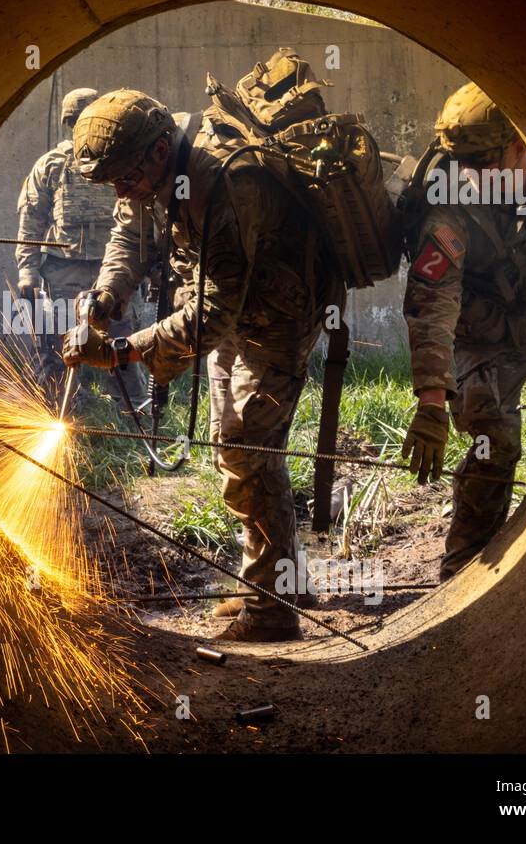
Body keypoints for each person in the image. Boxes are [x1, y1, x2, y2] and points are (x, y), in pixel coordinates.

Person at [63, 89, 343, 641]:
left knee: (247, 444)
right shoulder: (141, 166)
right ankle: (276, 577)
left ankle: (272, 612)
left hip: (280, 311)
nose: (121, 190)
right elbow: (130, 232)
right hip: (230, 305)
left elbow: (212, 315)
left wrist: (122, 350)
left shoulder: (229, 181)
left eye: (124, 179)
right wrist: (105, 297)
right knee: (232, 444)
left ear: (161, 150)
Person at [399, 82, 526, 579]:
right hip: (485, 335)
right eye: (466, 164)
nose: (474, 175)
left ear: (522, 144)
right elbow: (432, 301)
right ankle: (466, 573)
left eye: (488, 161)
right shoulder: (449, 207)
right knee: (492, 441)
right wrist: (431, 400)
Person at [14, 88, 148, 413]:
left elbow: (142, 215)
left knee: (121, 338)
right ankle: (64, 410)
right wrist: (28, 270)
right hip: (64, 269)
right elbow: (31, 216)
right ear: (68, 122)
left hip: (111, 269)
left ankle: (134, 411)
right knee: (63, 341)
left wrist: (145, 266)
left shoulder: (120, 160)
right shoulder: (51, 165)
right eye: (76, 120)